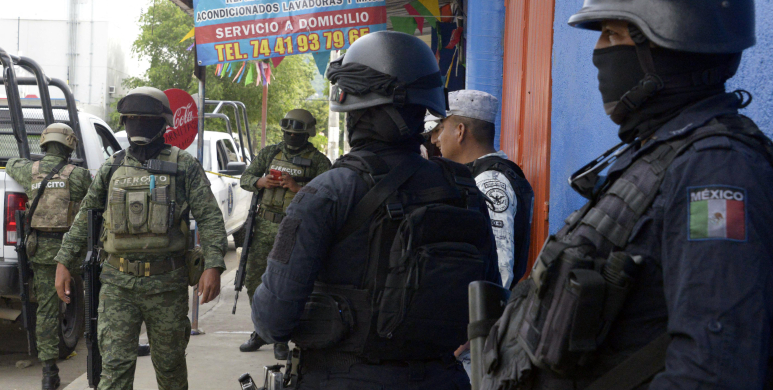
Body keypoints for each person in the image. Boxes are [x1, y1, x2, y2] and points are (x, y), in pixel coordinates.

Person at [480, 0, 773, 389]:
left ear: (668, 45)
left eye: (612, 33)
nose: (598, 52)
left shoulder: (718, 172)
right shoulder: (656, 152)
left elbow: (712, 369)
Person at [251, 30, 501, 389]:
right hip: (445, 378)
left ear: (353, 108)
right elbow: (488, 302)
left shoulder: (326, 193)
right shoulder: (464, 189)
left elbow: (272, 319)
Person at [53, 87, 227, 390]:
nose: (137, 125)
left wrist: (213, 264)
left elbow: (210, 216)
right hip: (118, 284)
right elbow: (87, 216)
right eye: (131, 119)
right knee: (114, 373)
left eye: (143, 119)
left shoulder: (183, 165)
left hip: (167, 284)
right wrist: (64, 262)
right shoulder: (113, 166)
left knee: (171, 370)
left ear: (162, 123)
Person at [237, 109, 332, 360]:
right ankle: (261, 330)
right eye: (287, 133)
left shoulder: (319, 161)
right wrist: (261, 182)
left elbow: (328, 196)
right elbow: (245, 178)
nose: (291, 137)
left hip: (293, 230)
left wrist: (297, 187)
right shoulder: (270, 153)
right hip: (262, 227)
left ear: (307, 134)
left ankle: (280, 337)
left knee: (286, 286)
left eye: (296, 134)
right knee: (254, 281)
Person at [6, 123, 91, 390]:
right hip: (73, 252)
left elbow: (11, 164)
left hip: (42, 253)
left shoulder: (29, 171)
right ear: (70, 145)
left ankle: (48, 372)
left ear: (44, 143)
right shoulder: (79, 176)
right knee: (89, 302)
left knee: (46, 310)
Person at [432, 90, 533, 289]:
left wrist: (484, 318)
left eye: (442, 128)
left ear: (460, 131)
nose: (436, 139)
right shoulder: (479, 175)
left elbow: (500, 268)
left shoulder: (491, 180)